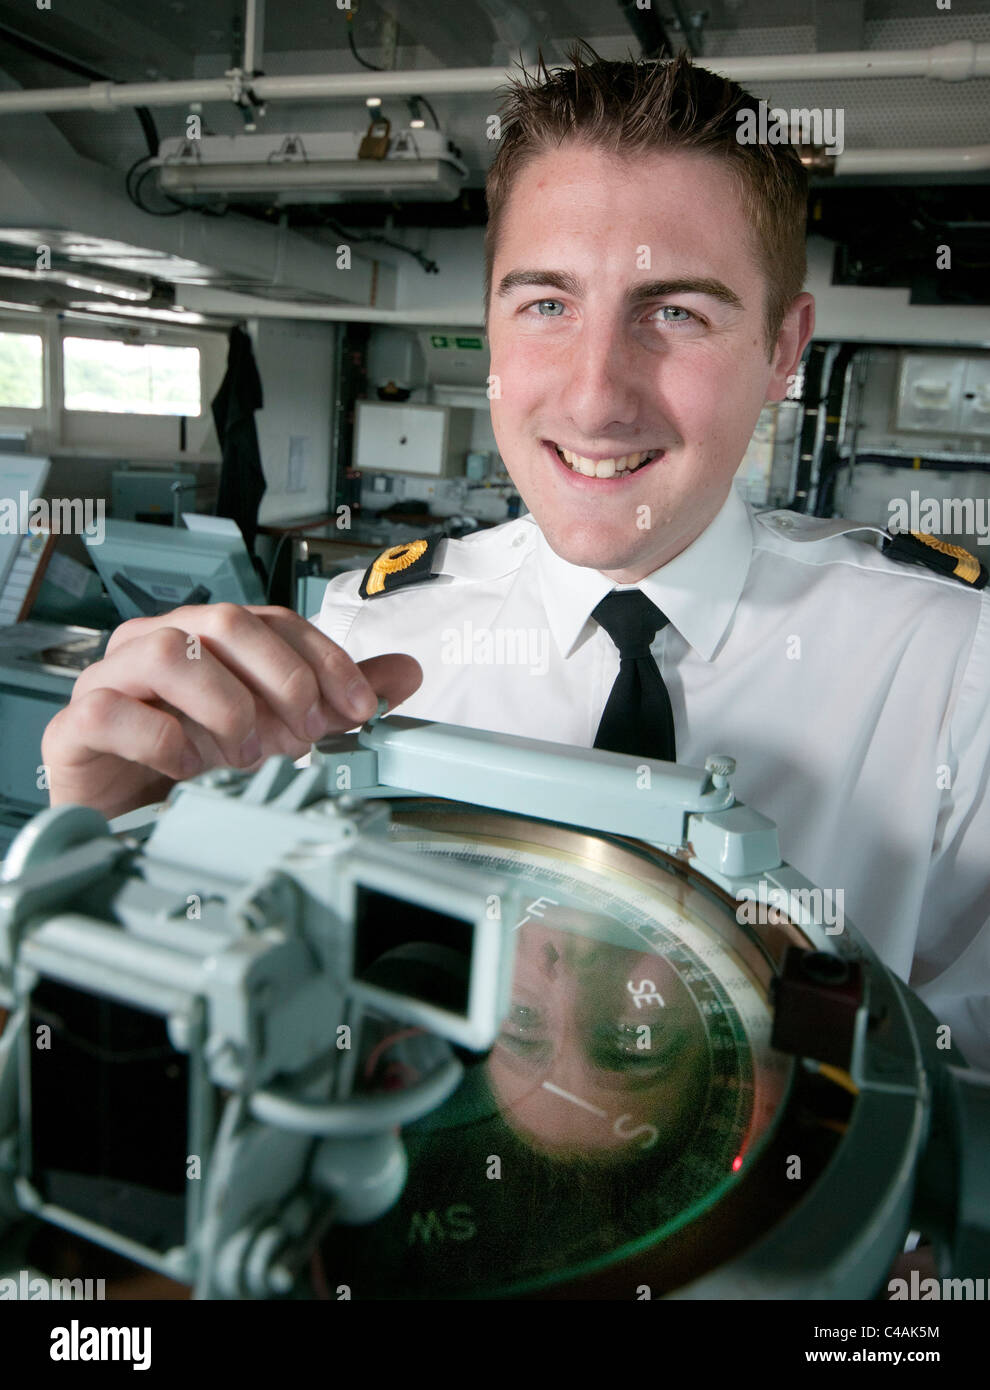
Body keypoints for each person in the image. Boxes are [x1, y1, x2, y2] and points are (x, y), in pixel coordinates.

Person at [40, 48, 990, 1073]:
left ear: (782, 351)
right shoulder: (372, 634)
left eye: (675, 313)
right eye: (546, 305)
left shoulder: (950, 663)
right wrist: (125, 861)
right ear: (489, 328)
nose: (594, 398)